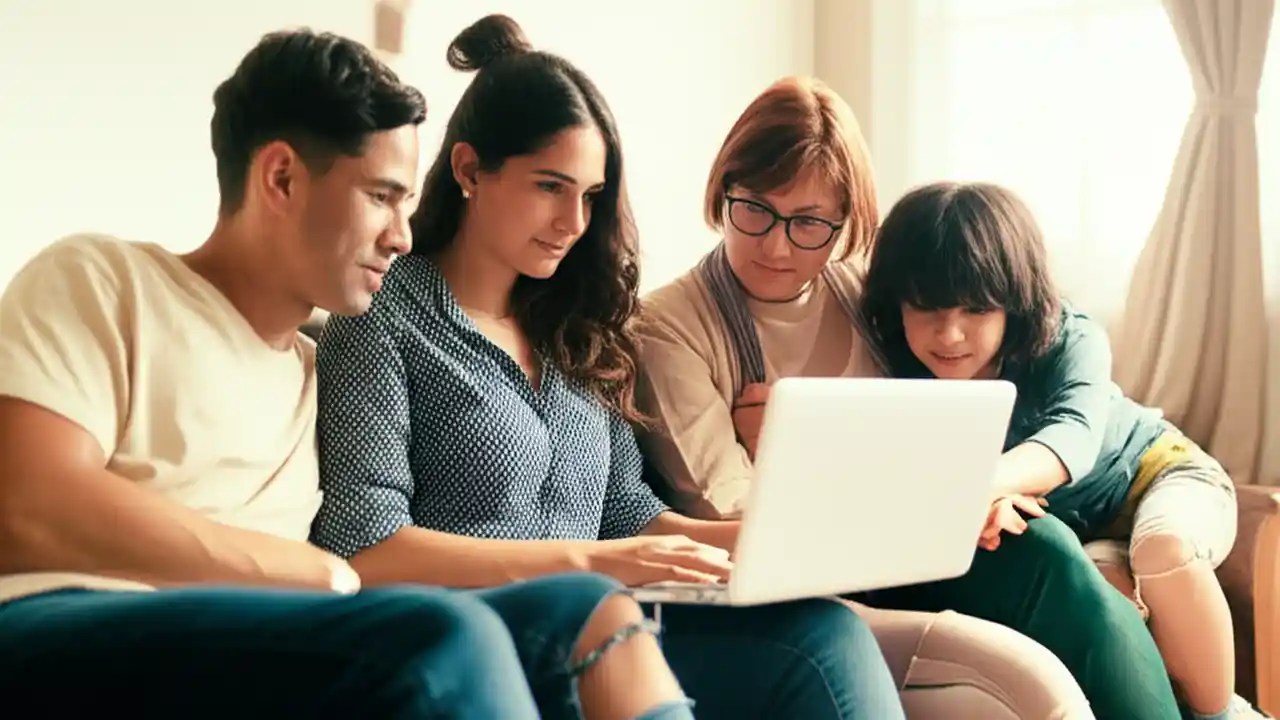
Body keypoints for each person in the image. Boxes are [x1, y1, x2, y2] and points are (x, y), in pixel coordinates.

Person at [0, 28, 694, 720]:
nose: (404, 233)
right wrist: (318, 575)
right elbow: (28, 502)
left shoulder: (314, 372)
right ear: (281, 178)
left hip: (266, 648)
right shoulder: (105, 280)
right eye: (381, 197)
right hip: (66, 624)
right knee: (443, 634)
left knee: (590, 610)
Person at [310, 14, 905, 720]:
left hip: (607, 618)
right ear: (470, 169)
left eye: (590, 196)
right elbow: (365, 544)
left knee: (823, 634)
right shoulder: (384, 315)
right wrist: (592, 564)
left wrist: (769, 541)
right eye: (550, 187)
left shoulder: (578, 334)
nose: (574, 221)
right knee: (608, 615)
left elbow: (626, 510)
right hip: (474, 634)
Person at [632, 76, 1183, 720]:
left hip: (913, 534)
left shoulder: (865, 292)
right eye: (753, 207)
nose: (777, 245)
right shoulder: (671, 325)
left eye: (809, 222)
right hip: (805, 572)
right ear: (722, 191)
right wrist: (926, 496)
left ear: (845, 224)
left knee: (1044, 545)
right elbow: (730, 506)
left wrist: (978, 490)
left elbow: (948, 406)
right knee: (1046, 561)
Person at [860, 181, 1263, 720]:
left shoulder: (1069, 338)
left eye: (976, 310)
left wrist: (980, 488)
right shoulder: (899, 366)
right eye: (927, 308)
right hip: (1085, 526)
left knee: (1163, 549)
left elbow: (1072, 435)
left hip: (1158, 474)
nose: (950, 334)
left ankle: (1225, 714)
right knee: (1106, 601)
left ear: (1013, 303)